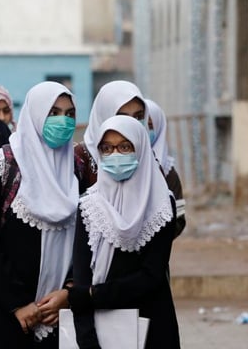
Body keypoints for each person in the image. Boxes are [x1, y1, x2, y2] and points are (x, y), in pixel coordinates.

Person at [0, 81, 80, 348]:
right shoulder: (3, 165)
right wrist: (17, 303)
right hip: (4, 312)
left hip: (59, 316)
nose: (62, 121)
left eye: (69, 114)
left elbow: (86, 239)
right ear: (35, 114)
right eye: (53, 113)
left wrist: (68, 293)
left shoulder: (75, 168)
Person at [67, 115, 180, 349]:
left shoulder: (160, 204)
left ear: (140, 149)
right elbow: (81, 276)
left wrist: (91, 295)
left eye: (125, 146)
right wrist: (87, 337)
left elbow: (151, 276)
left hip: (152, 326)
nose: (115, 154)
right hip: (100, 328)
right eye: (107, 148)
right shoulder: (90, 206)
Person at [75, 80, 146, 193]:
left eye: (139, 116)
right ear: (103, 116)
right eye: (122, 117)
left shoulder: (149, 159)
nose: (132, 123)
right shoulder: (79, 159)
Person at [145, 98, 186, 237]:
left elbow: (179, 219)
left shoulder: (168, 172)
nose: (144, 130)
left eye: (150, 126)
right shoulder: (119, 166)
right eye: (140, 123)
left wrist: (155, 241)